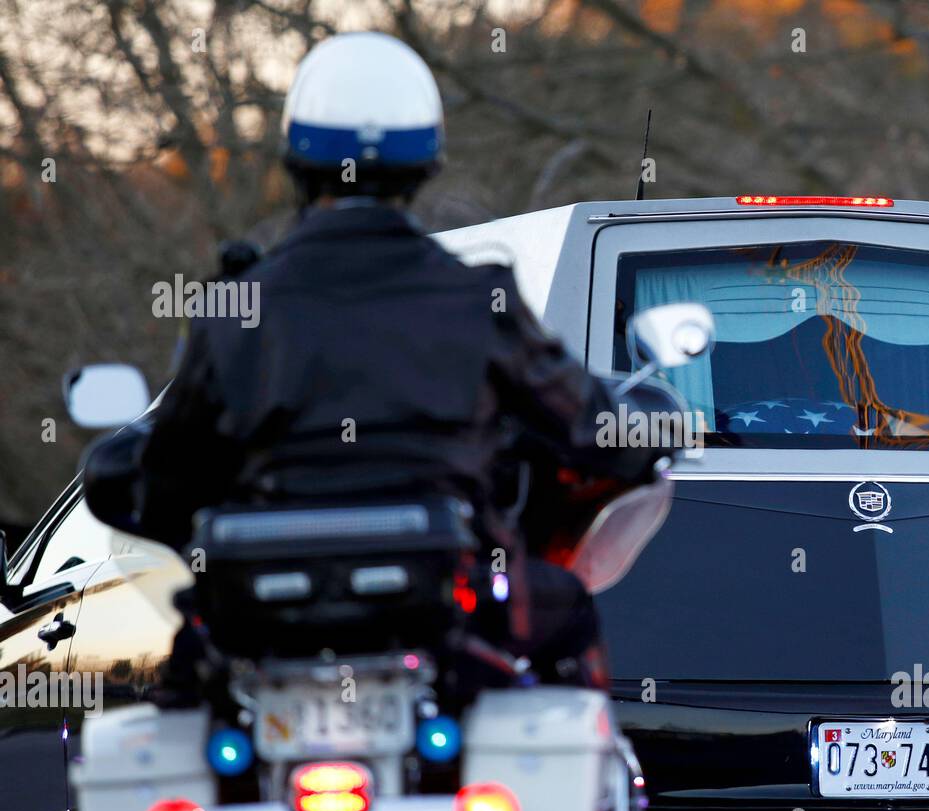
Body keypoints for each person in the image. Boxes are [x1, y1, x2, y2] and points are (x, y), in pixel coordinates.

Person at [135, 32, 659, 696]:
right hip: (453, 609)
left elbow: (165, 480)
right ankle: (588, 803)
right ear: (426, 160)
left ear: (298, 156)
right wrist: (645, 425)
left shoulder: (235, 309)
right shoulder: (478, 299)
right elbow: (586, 423)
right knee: (568, 609)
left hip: (265, 621)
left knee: (179, 693)